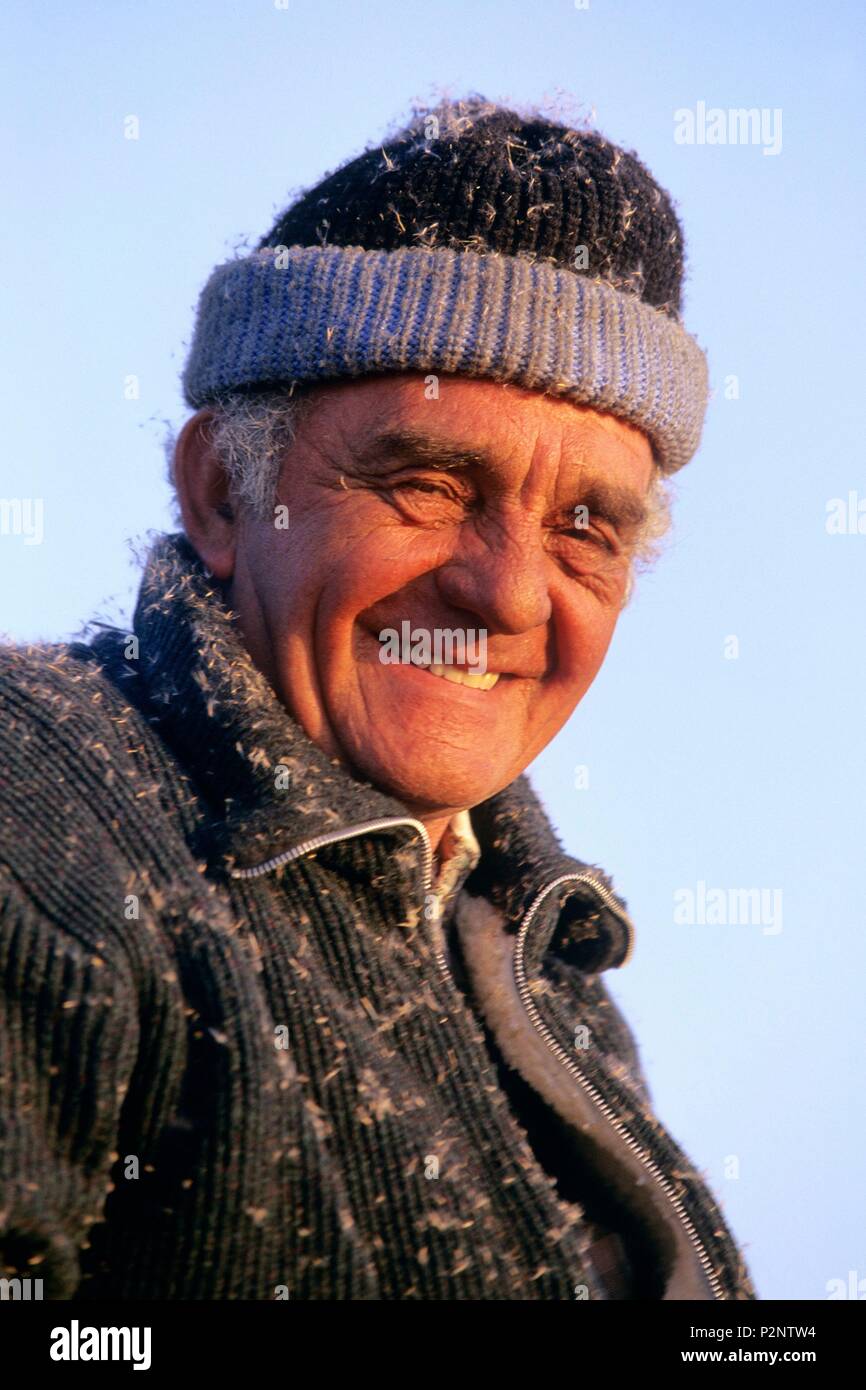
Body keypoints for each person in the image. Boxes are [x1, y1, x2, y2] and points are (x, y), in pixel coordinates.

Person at [0, 97, 755, 1300]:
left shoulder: (546, 972)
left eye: (583, 528)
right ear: (219, 494)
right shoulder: (40, 803)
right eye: (428, 482)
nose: (507, 593)